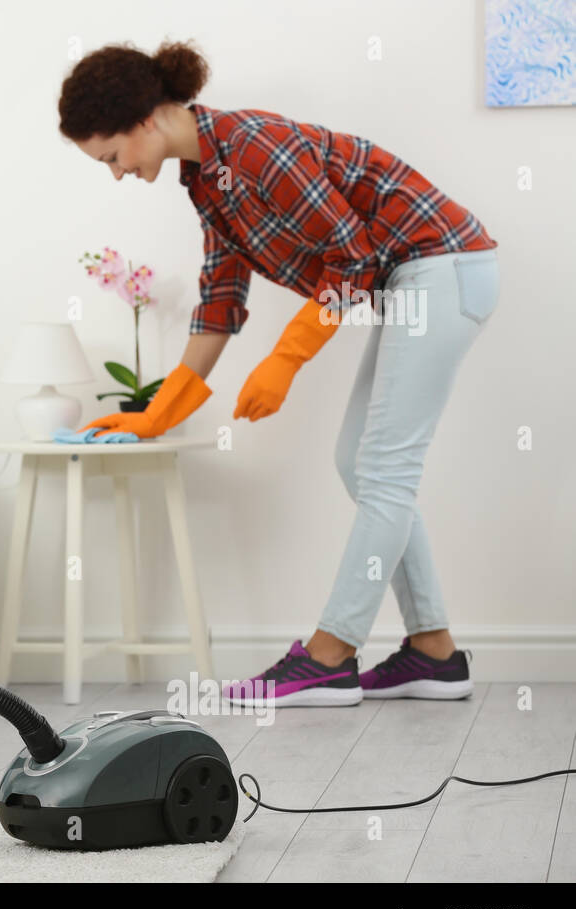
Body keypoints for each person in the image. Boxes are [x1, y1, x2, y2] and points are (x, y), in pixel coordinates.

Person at [59, 41, 499, 707]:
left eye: (112, 157)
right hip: (422, 278)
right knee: (363, 464)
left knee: (382, 470)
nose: (117, 173)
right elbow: (221, 297)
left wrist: (285, 361)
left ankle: (329, 655)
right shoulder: (206, 179)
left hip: (444, 268)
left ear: (145, 120)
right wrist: (160, 412)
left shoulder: (257, 147)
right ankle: (434, 650)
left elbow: (351, 257)